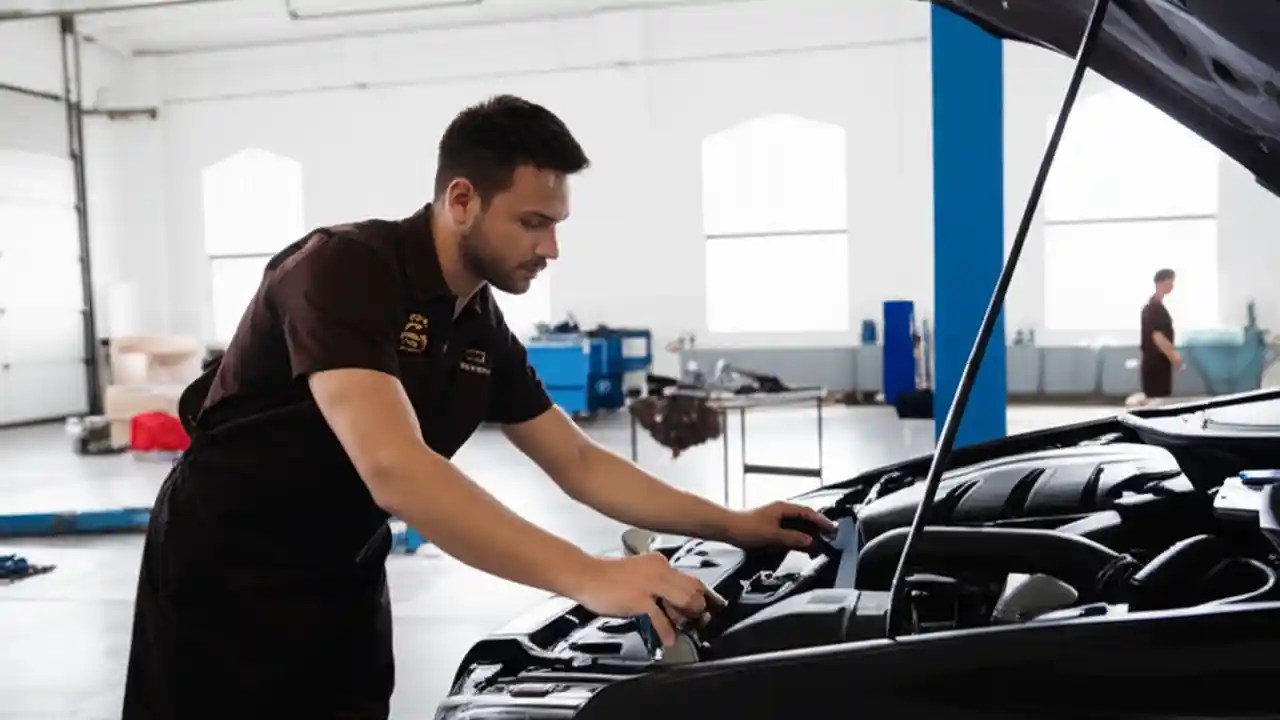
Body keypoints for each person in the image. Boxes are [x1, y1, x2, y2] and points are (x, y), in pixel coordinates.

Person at [121, 94, 833, 719]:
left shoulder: (477, 325)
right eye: (532, 222)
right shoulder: (342, 270)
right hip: (227, 574)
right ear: (461, 200)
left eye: (556, 224)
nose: (551, 247)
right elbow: (395, 467)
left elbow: (578, 461)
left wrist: (734, 523)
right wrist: (590, 576)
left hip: (342, 568)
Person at [1139, 267, 1183, 402]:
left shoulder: (1157, 306)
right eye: (1171, 281)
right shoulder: (1154, 307)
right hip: (1155, 364)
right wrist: (1174, 356)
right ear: (1161, 282)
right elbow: (1158, 337)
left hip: (1159, 363)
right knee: (1157, 401)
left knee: (1159, 400)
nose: (1172, 285)